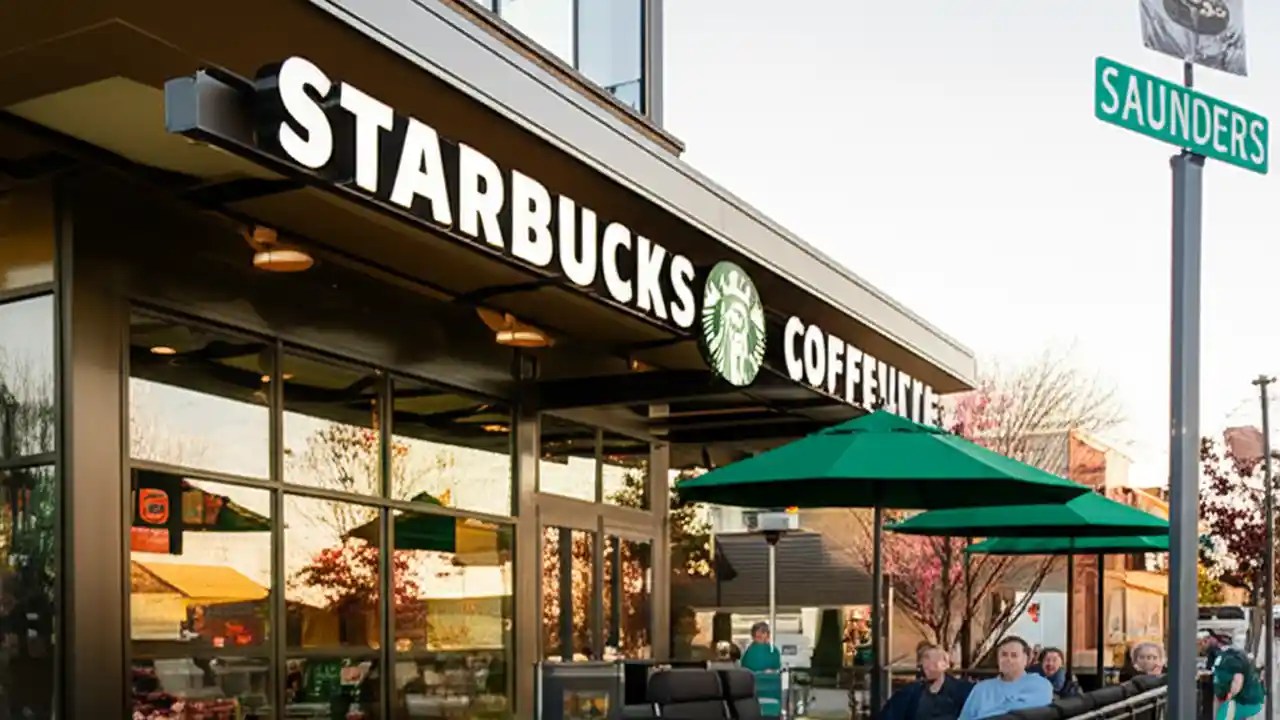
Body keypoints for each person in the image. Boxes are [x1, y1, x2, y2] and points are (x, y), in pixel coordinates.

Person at [957, 636, 1053, 720]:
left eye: (1014, 655)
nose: (1008, 660)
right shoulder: (981, 689)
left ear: (1026, 659)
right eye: (1004, 655)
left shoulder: (1040, 685)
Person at [880, 645, 973, 720]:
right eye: (925, 661)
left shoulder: (963, 692)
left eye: (933, 662)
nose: (927, 666)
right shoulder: (909, 694)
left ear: (946, 664)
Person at [1211, 644, 1265, 720]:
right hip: (1247, 700)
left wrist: (1230, 696)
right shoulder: (1230, 660)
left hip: (1242, 701)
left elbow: (1237, 680)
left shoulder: (1229, 660)